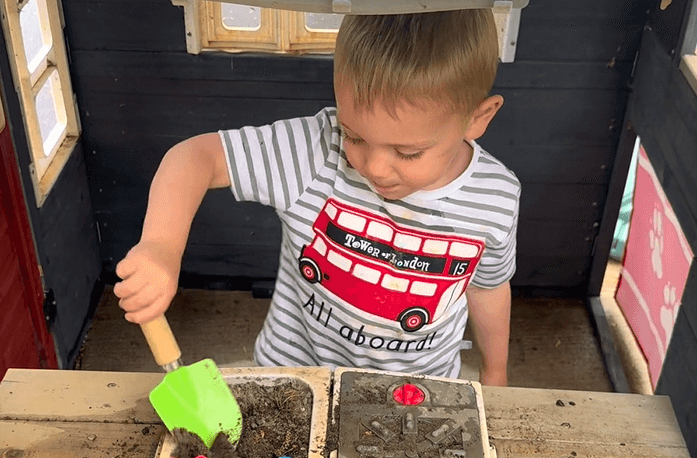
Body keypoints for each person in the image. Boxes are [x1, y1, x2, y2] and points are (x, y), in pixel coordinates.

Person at [114, 9, 520, 386]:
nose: (375, 167)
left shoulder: (496, 199)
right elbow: (195, 157)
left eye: (407, 152)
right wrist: (161, 246)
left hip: (415, 391)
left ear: (477, 118)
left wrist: (495, 370)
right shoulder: (315, 152)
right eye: (354, 136)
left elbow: (487, 289)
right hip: (296, 378)